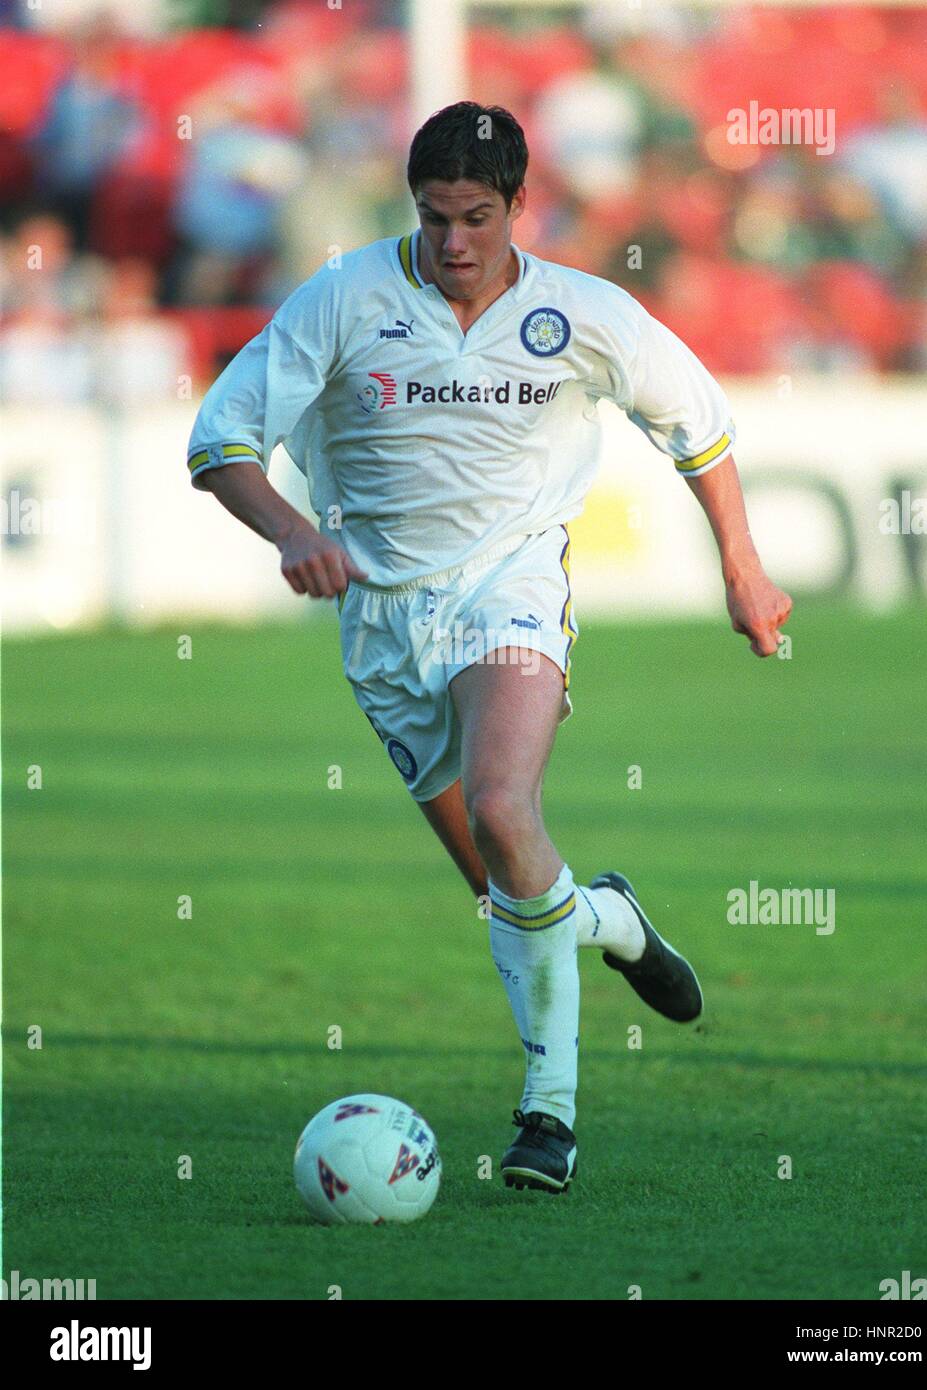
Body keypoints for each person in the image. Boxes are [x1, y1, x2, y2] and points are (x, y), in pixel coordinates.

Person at [187, 103, 791, 1196]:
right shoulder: (344, 299)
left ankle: (547, 1117)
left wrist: (741, 567)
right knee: (505, 892)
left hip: (509, 587)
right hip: (379, 618)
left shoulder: (585, 314)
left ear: (521, 206)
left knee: (510, 814)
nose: (453, 241)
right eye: (433, 217)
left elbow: (698, 424)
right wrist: (295, 532)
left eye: (475, 217)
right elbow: (220, 440)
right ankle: (611, 916)